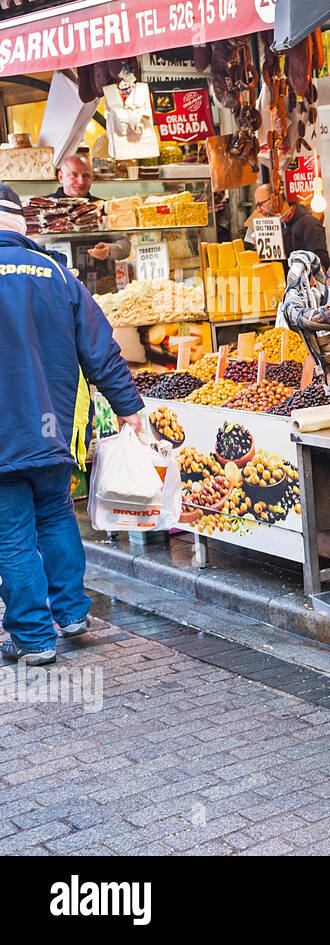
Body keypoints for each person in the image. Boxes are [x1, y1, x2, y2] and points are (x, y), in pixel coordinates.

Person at [0, 183, 144, 667]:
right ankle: (73, 614)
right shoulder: (59, 277)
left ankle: (34, 639)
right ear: (23, 226)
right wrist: (130, 408)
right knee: (58, 514)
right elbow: (102, 351)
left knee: (13, 534)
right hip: (52, 428)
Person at [47, 153, 131, 293]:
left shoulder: (103, 206)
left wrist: (110, 250)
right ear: (61, 177)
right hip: (58, 287)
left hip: (101, 289)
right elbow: (33, 246)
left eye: (86, 176)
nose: (81, 181)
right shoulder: (44, 208)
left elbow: (125, 246)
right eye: (74, 175)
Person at [246, 183, 330, 273]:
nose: (258, 210)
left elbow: (321, 262)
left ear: (276, 199)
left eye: (260, 204)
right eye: (257, 206)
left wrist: (307, 284)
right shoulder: (276, 226)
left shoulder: (309, 223)